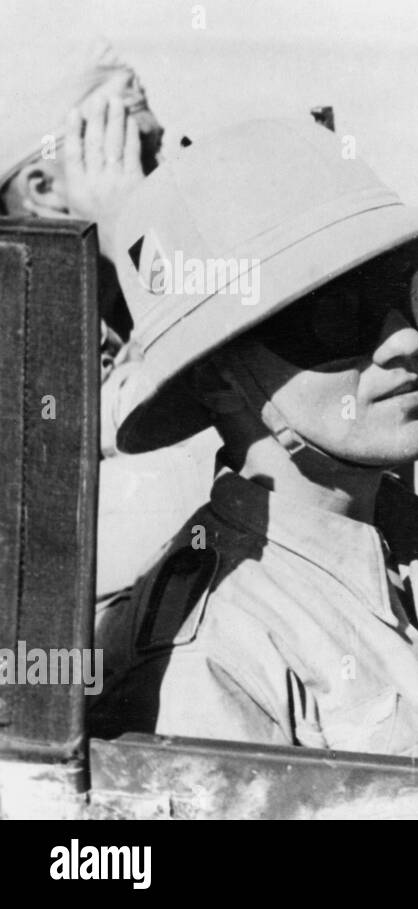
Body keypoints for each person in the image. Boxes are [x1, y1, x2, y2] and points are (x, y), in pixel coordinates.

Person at [91, 118, 418, 765]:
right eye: (337, 315)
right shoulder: (215, 648)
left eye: (408, 297)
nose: (406, 340)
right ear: (219, 377)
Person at [0, 37, 219, 601]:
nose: (163, 171)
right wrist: (131, 233)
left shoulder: (118, 290)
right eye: (139, 150)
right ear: (46, 189)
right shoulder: (20, 320)